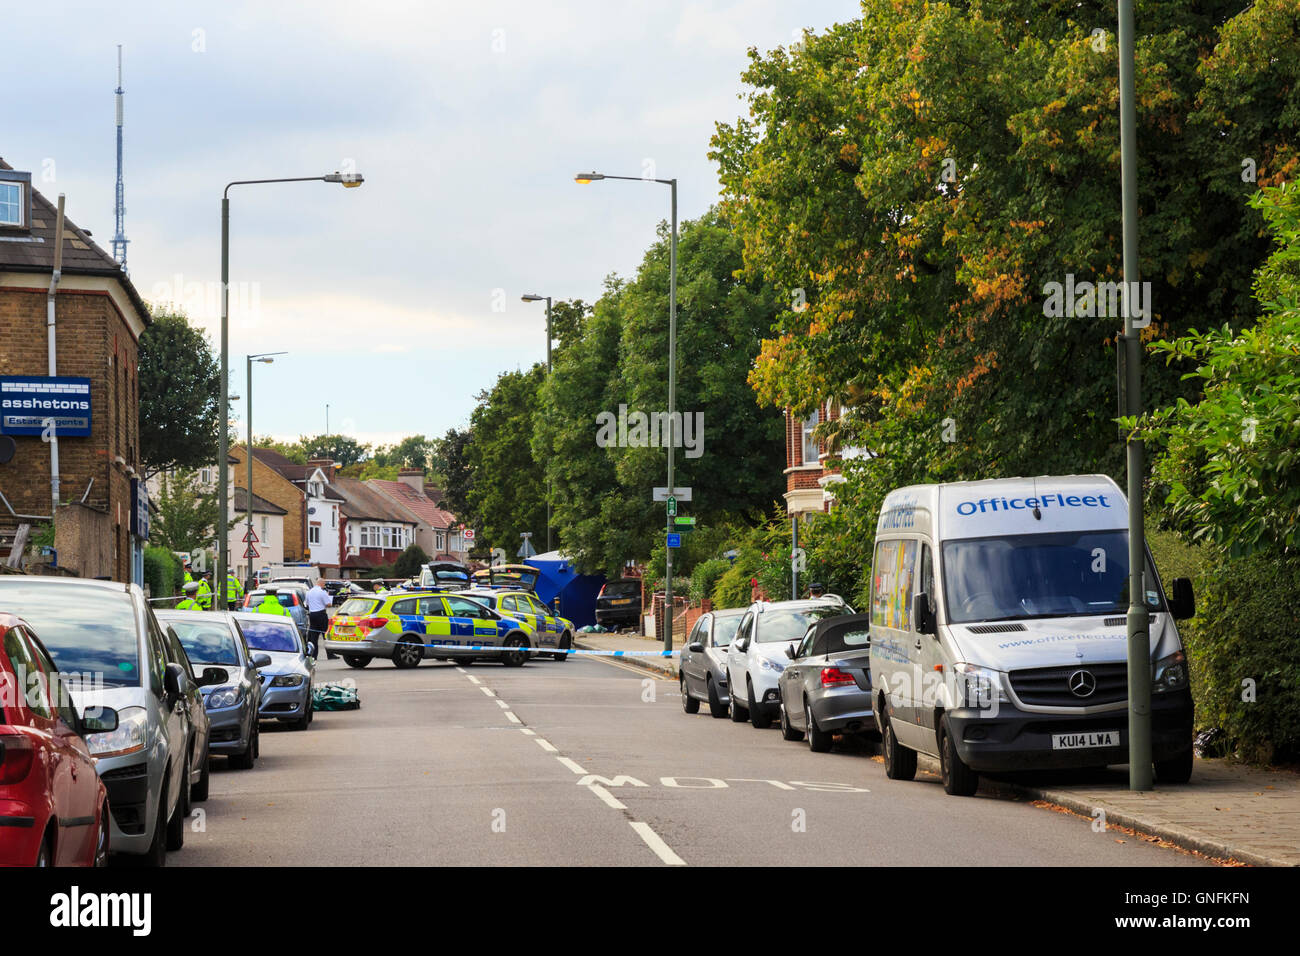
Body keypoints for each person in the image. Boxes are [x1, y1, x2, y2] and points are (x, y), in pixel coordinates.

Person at [304, 578, 330, 660]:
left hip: (312, 615)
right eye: (324, 584)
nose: (324, 586)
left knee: (314, 637)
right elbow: (329, 604)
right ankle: (330, 654)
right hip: (321, 614)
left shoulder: (309, 592)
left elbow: (306, 603)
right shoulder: (322, 592)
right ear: (322, 584)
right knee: (326, 634)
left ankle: (314, 655)